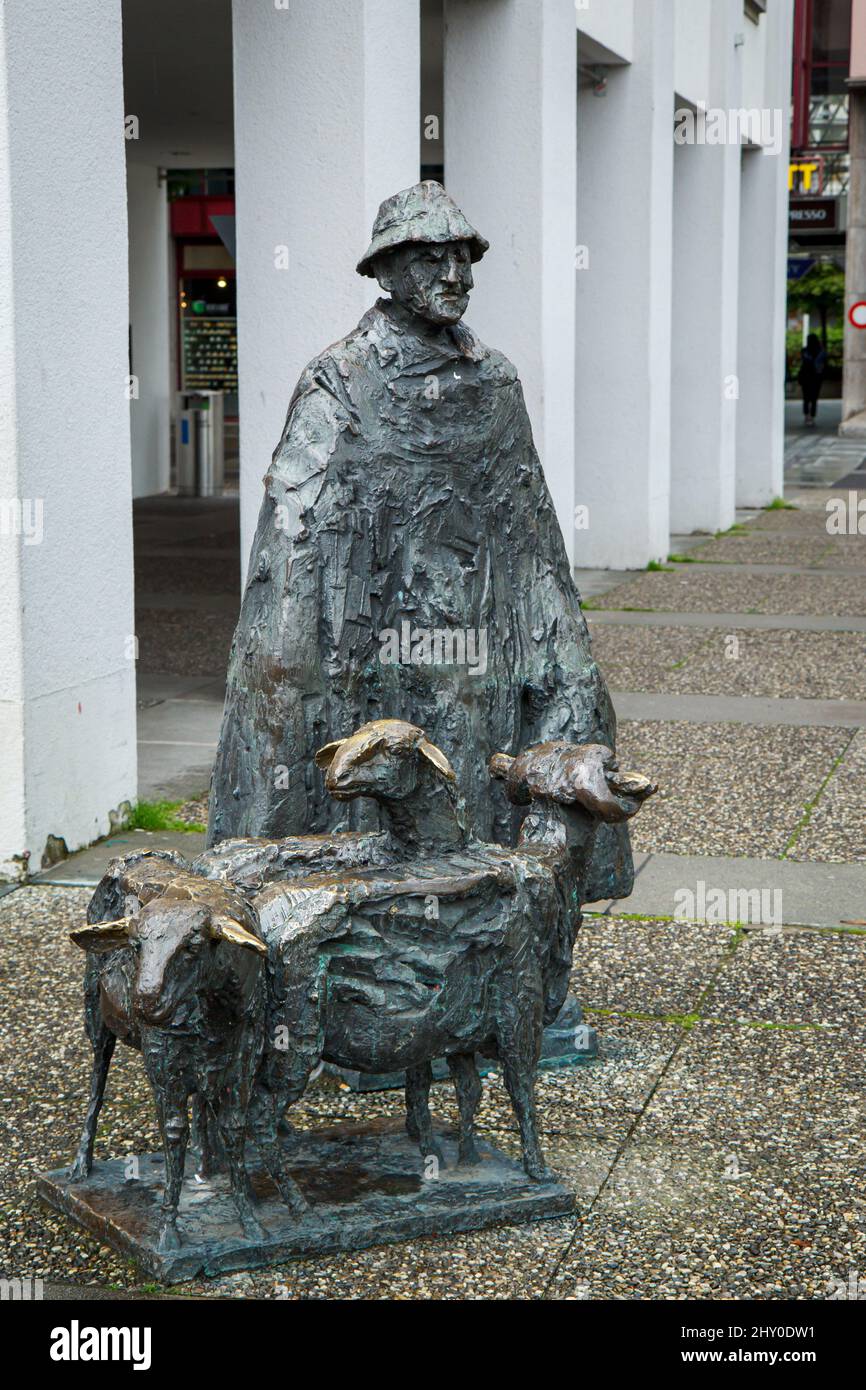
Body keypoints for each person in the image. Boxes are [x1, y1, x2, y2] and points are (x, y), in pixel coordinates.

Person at [207, 181, 634, 903]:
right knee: (387, 821)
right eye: (432, 258)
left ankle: (525, 975)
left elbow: (529, 519)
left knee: (552, 739)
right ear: (386, 271)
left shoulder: (494, 382)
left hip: (483, 632)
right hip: (372, 640)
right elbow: (295, 529)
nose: (455, 276)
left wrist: (558, 647)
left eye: (464, 258)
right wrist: (296, 666)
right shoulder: (340, 379)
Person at [798, 332, 826, 426]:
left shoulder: (805, 351)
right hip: (815, 378)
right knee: (813, 398)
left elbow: (806, 362)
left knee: (807, 398)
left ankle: (807, 416)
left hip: (808, 377)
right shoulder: (820, 351)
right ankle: (811, 416)